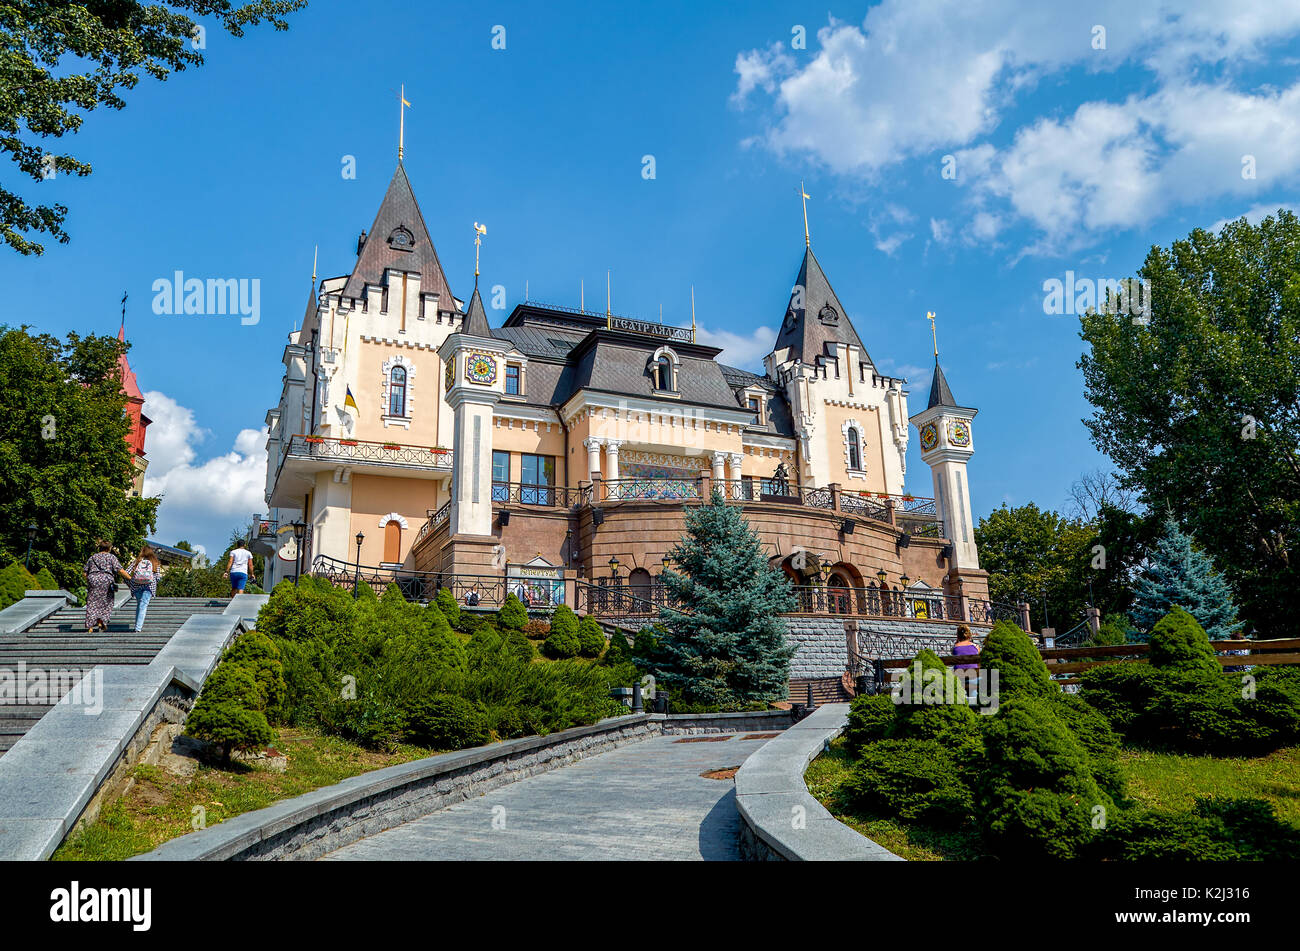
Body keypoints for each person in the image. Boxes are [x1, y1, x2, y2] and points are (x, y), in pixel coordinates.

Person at [83, 540, 130, 633]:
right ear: (109, 548)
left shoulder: (92, 558)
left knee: (92, 602)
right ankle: (102, 620)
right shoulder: (111, 557)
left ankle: (90, 626)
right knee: (107, 601)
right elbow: (120, 570)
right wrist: (131, 578)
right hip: (106, 580)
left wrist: (89, 580)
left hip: (93, 580)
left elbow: (85, 573)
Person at [125, 544, 162, 632]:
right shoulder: (155, 562)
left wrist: (130, 583)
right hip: (149, 586)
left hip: (136, 586)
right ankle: (138, 628)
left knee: (140, 605)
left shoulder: (137, 561)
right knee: (143, 605)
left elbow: (126, 572)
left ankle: (137, 626)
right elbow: (158, 577)